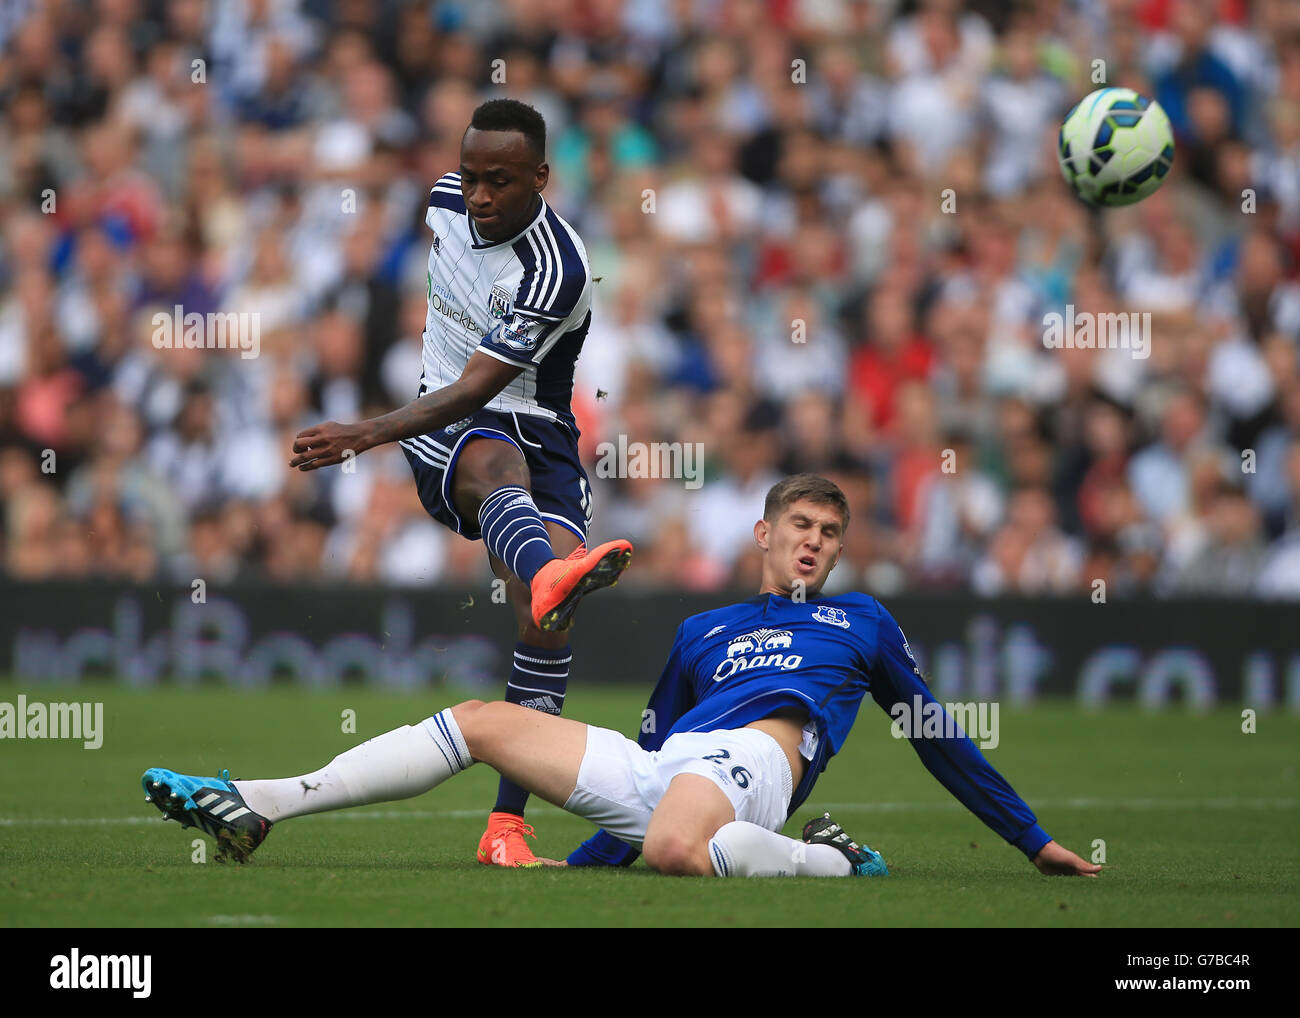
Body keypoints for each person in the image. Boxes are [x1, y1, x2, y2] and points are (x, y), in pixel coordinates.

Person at [141, 474, 1100, 879]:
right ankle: (259, 802)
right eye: (801, 527)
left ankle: (835, 863)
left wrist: (1033, 841)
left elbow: (937, 734)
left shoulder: (862, 623)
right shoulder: (704, 630)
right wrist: (588, 862)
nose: (815, 543)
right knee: (484, 720)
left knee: (682, 846)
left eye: (831, 533)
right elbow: (647, 761)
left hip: (751, 772)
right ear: (764, 535)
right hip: (681, 766)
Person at [287, 99, 631, 868]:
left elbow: (487, 385)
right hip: (442, 426)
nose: (478, 196)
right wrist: (375, 432)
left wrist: (361, 431)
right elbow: (465, 398)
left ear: (541, 177)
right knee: (501, 481)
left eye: (500, 182)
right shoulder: (443, 198)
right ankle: (546, 572)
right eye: (472, 176)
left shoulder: (558, 268)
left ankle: (504, 828)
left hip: (534, 429)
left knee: (548, 626)